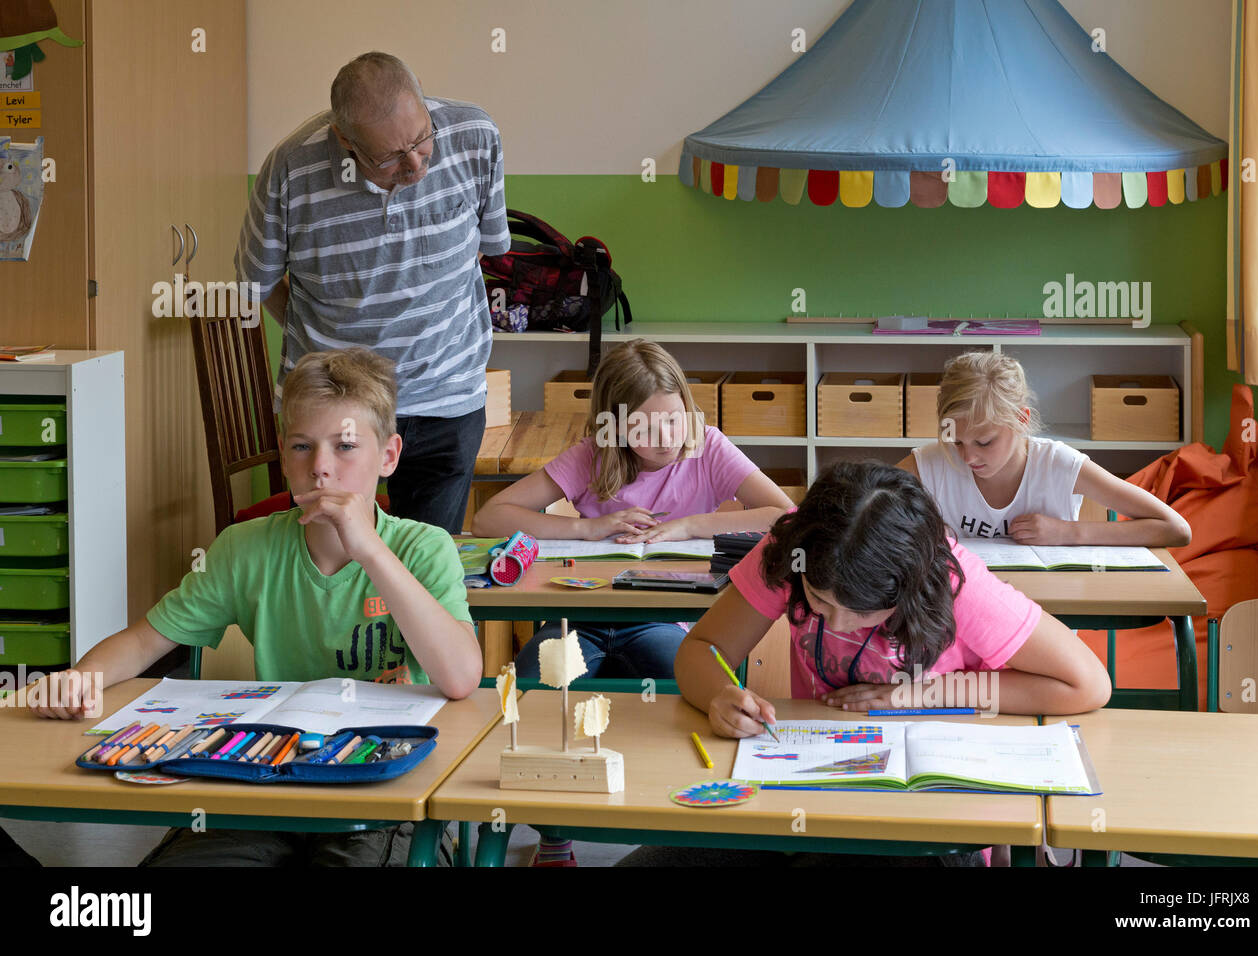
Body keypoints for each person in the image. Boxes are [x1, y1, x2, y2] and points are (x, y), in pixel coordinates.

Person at [25, 348, 482, 866]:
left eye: (346, 446)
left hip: (384, 788)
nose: (321, 469)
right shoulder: (245, 548)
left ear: (389, 456)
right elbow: (145, 640)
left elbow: (462, 677)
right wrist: (81, 678)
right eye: (302, 447)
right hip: (264, 781)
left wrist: (370, 550)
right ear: (283, 457)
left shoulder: (425, 548)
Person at [666, 461, 1110, 867]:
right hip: (808, 785)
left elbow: (1086, 683)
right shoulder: (793, 548)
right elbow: (701, 648)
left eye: (863, 611)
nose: (836, 621)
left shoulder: (955, 583)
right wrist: (717, 696)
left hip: (932, 815)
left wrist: (923, 693)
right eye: (819, 599)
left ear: (910, 587)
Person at [236, 51, 510, 533]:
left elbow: (483, 252)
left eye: (422, 141)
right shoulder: (291, 169)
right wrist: (329, 354)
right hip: (336, 408)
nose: (415, 166)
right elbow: (256, 283)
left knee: (426, 571)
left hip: (447, 397)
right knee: (335, 566)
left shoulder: (475, 137)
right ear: (344, 140)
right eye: (389, 158)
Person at [473, 338, 794, 681]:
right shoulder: (593, 455)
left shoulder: (709, 446)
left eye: (674, 419)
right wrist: (588, 529)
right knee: (532, 690)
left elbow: (786, 515)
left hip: (663, 620)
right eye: (644, 428)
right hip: (581, 615)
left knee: (692, 685)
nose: (666, 438)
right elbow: (488, 517)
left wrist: (688, 526)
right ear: (615, 425)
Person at [898, 351, 1191, 547]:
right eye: (956, 440)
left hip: (1051, 616)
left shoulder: (1057, 464)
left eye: (984, 442)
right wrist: (918, 536)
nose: (967, 456)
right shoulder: (932, 464)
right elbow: (857, 511)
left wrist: (1068, 532)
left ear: (1021, 420)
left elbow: (1176, 529)